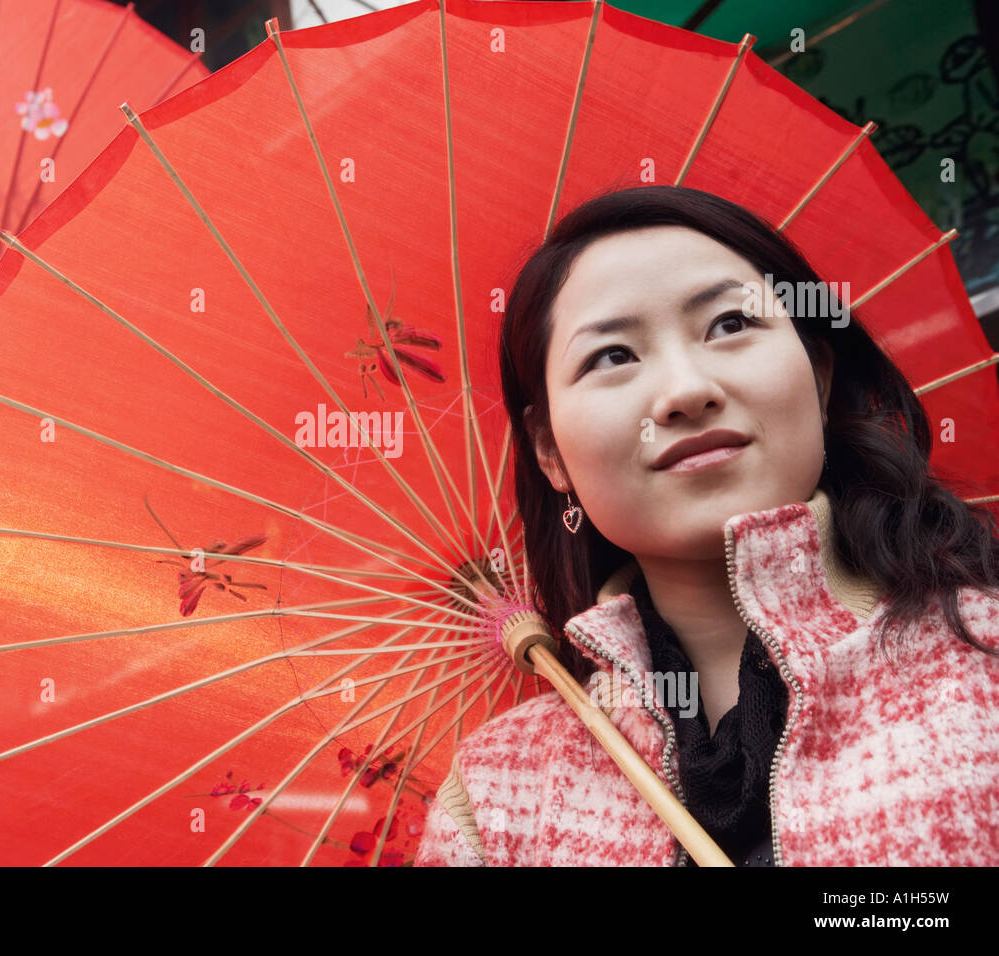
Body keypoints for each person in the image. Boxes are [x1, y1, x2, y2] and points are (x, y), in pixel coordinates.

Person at [414, 184, 999, 867]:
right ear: (550, 451)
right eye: (613, 356)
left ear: (817, 371)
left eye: (729, 323)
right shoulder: (495, 799)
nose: (686, 390)